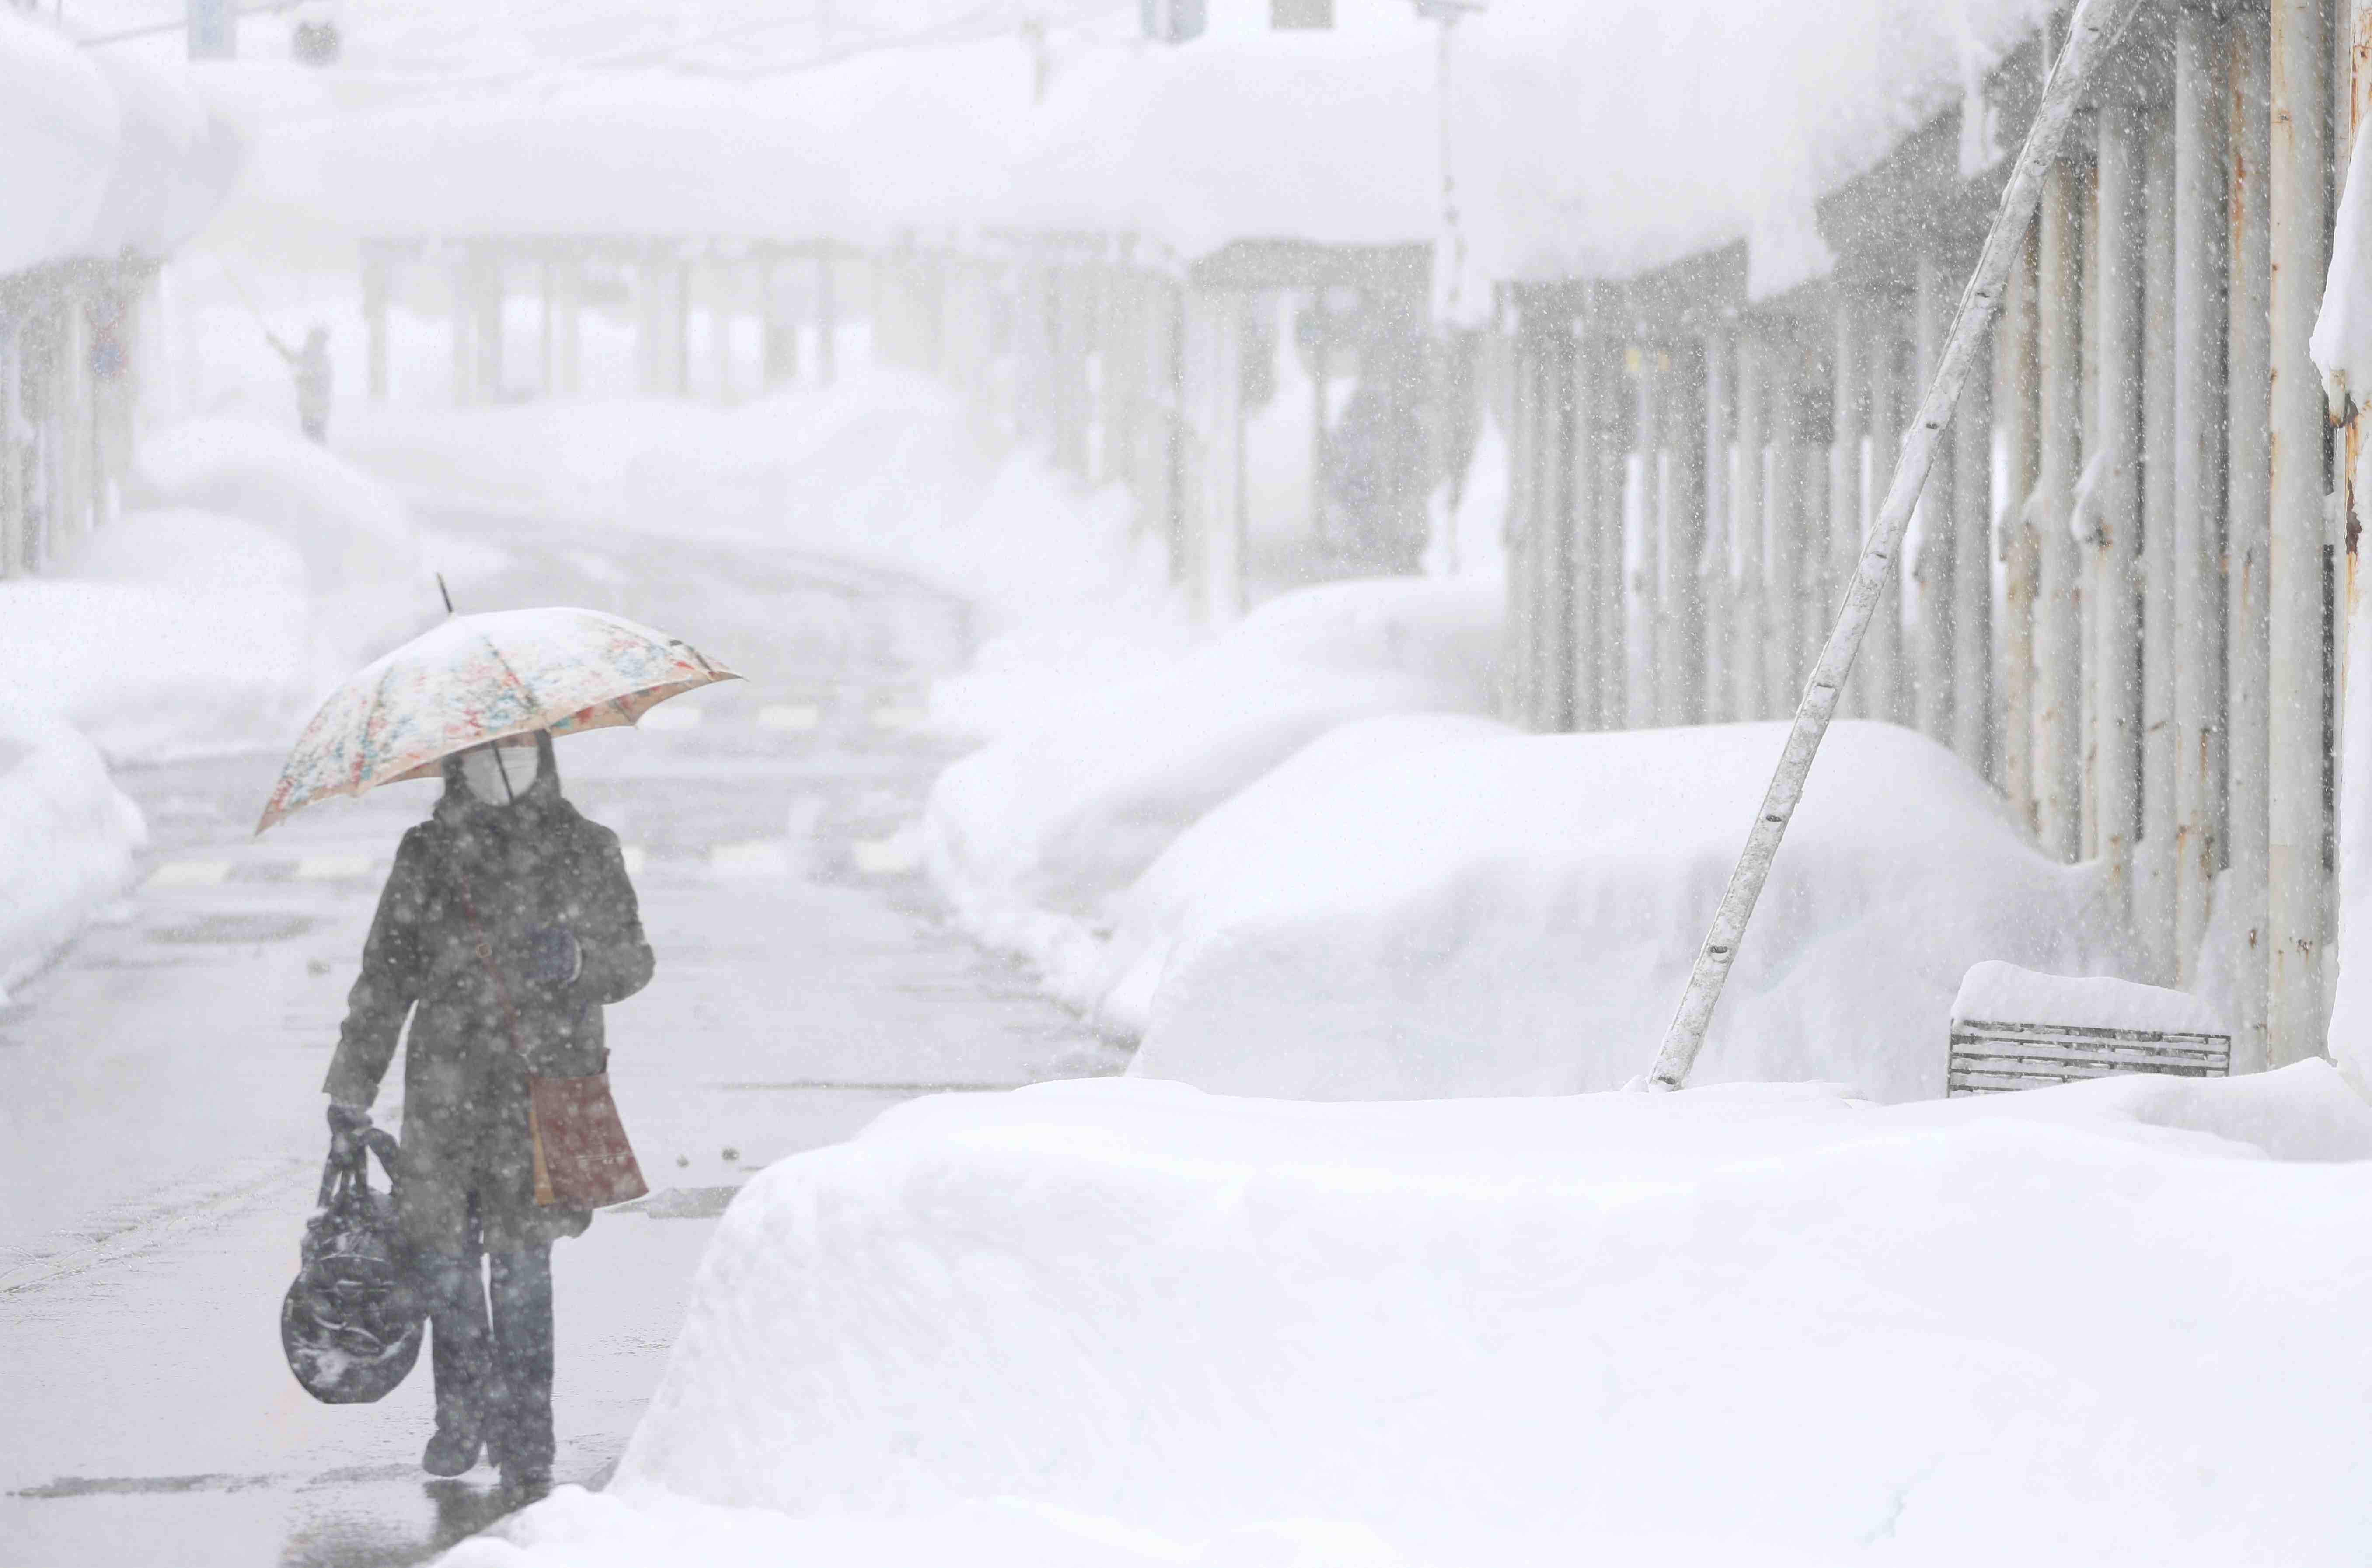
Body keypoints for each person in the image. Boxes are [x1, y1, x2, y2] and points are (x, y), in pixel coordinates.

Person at [323, 731, 652, 1493]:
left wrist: (575, 960)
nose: (498, 768)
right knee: (444, 1260)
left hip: (547, 1089)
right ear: (456, 766)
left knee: (521, 1268)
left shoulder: (586, 847)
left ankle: (527, 1431)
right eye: (479, 755)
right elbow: (384, 976)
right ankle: (462, 1413)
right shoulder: (428, 853)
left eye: (515, 752)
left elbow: (632, 961)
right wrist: (351, 1085)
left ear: (544, 755)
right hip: (445, 1093)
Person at [271, 324, 334, 443]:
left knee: (314, 441)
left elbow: (315, 381)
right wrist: (276, 344)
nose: (308, 341)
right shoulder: (310, 356)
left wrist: (302, 379)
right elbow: (291, 358)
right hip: (309, 409)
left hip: (316, 411)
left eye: (312, 339)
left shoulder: (321, 361)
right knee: (310, 439)